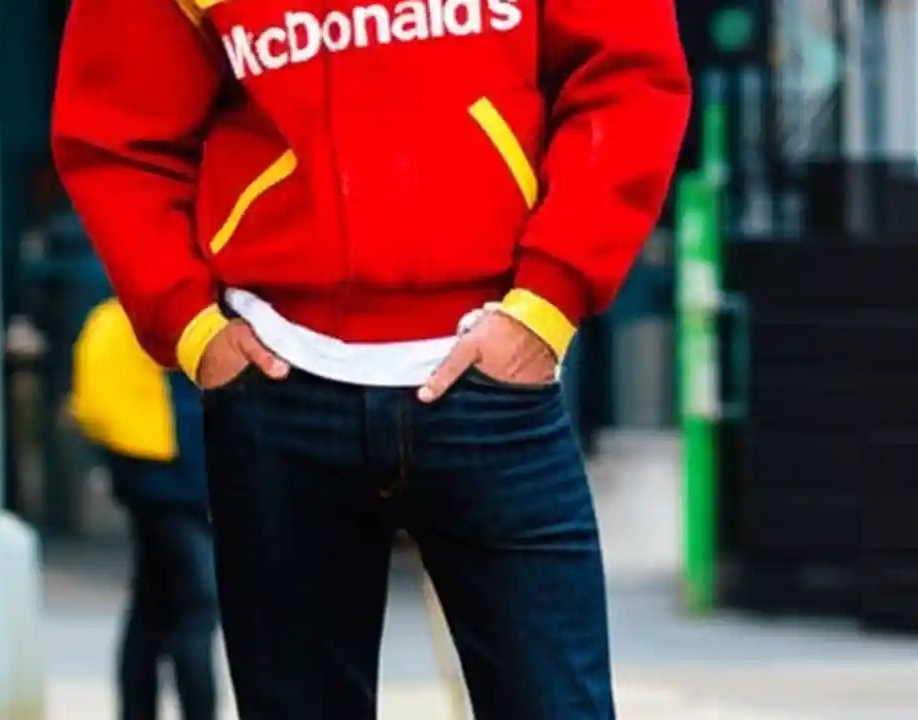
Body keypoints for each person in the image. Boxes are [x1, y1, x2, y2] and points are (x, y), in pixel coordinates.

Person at [53, 0, 690, 716]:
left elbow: (628, 77)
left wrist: (549, 300)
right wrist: (193, 329)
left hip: (493, 383)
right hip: (277, 386)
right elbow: (115, 134)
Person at [70, 298, 218, 720]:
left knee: (152, 607)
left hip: (157, 478)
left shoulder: (116, 318)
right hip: (174, 480)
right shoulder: (150, 317)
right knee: (197, 604)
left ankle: (138, 710)